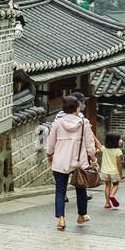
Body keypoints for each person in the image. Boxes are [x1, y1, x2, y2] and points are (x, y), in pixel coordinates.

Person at [45, 95, 98, 231]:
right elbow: (90, 145)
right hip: (79, 161)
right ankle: (81, 215)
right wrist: (93, 159)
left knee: (60, 191)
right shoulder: (84, 123)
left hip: (60, 161)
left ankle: (61, 219)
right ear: (77, 108)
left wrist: (50, 155)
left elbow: (50, 144)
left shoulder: (57, 123)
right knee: (81, 188)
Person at [99, 132, 125, 209]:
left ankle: (107, 203)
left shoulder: (104, 149)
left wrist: (92, 135)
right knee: (116, 185)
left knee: (107, 186)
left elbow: (98, 144)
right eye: (120, 139)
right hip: (114, 172)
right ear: (115, 141)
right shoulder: (118, 151)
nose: (121, 141)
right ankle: (112, 195)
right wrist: (121, 174)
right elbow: (119, 164)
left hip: (104, 171)